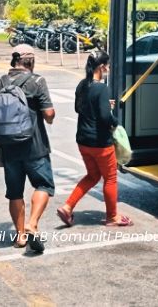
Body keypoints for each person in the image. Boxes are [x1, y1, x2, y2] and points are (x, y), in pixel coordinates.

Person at [56, 51, 133, 227]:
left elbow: (78, 108)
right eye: (107, 65)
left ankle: (67, 207)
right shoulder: (101, 88)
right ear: (101, 67)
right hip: (100, 143)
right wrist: (115, 121)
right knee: (111, 178)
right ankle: (112, 217)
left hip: (83, 141)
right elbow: (106, 118)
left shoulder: (82, 85)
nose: (108, 69)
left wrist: (105, 105)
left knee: (92, 176)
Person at [0, 43, 55, 252]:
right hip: (34, 146)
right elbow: (49, 115)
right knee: (44, 185)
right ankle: (33, 224)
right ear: (31, 61)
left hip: (8, 147)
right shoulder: (37, 82)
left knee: (14, 192)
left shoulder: (0, 83)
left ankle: (20, 236)